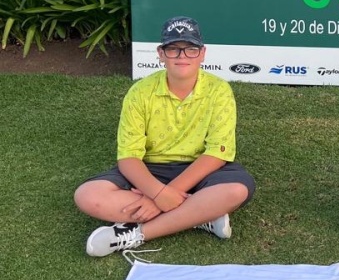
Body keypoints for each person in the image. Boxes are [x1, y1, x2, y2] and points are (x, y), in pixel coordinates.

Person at [75, 16, 255, 257]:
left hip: (200, 170)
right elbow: (128, 157)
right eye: (173, 49)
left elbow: (216, 153)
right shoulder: (140, 92)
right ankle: (198, 215)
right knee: (88, 196)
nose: (182, 56)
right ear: (160, 54)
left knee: (236, 191)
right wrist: (158, 193)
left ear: (202, 54)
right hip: (150, 169)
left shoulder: (219, 90)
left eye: (190, 49)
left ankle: (137, 234)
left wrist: (158, 199)